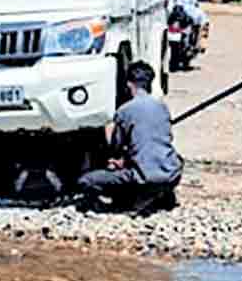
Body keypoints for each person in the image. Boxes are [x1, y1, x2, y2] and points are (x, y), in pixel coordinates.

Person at [76, 61, 183, 216]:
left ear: (128, 85)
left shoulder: (125, 111)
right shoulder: (162, 107)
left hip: (144, 178)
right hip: (172, 173)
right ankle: (161, 196)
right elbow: (159, 142)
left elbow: (115, 147)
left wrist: (116, 160)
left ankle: (121, 204)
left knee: (87, 180)